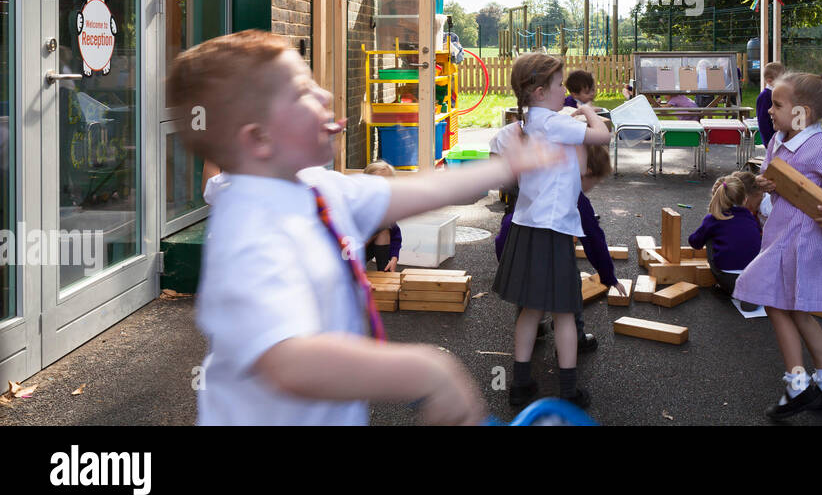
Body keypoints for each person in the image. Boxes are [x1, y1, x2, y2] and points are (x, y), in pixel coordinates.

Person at [169, 30, 559, 426]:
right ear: (259, 138)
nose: (324, 96)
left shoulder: (317, 186)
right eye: (302, 91)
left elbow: (418, 190)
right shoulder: (249, 231)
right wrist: (425, 372)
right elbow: (288, 361)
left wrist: (506, 167)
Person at [734, 72, 822, 420]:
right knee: (794, 310)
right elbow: (773, 174)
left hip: (803, 240)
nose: (769, 112)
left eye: (777, 105)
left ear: (802, 113)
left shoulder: (819, 146)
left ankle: (797, 385)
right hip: (782, 235)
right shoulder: (780, 138)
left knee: (775, 302)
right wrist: (764, 183)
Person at [493, 53, 611, 409]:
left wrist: (567, 113)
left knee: (529, 309)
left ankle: (520, 384)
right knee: (563, 312)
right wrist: (587, 108)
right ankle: (568, 390)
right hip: (554, 230)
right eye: (561, 85)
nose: (566, 91)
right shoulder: (555, 124)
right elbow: (603, 135)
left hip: (525, 226)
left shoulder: (529, 123)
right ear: (542, 90)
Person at [493, 125, 620, 351]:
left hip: (514, 254)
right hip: (544, 255)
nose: (592, 188)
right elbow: (594, 240)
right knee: (570, 288)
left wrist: (507, 262)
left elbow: (507, 226)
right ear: (586, 172)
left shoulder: (539, 184)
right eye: (595, 182)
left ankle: (533, 331)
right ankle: (577, 338)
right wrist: (608, 276)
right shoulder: (576, 199)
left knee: (526, 291)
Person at [688, 171, 763, 310]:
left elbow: (695, 242)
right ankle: (750, 294)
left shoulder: (714, 218)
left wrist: (704, 233)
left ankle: (729, 290)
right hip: (754, 275)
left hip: (727, 277)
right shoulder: (749, 216)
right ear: (745, 199)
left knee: (710, 236)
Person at [362, 160, 402, 271]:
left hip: (364, 249)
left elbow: (395, 235)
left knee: (384, 229)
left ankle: (384, 270)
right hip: (347, 251)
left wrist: (394, 258)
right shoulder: (359, 203)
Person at [755, 62, 786, 146]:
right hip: (772, 140)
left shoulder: (779, 93)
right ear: (769, 81)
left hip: (781, 139)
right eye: (782, 79)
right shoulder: (765, 97)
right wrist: (768, 142)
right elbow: (763, 122)